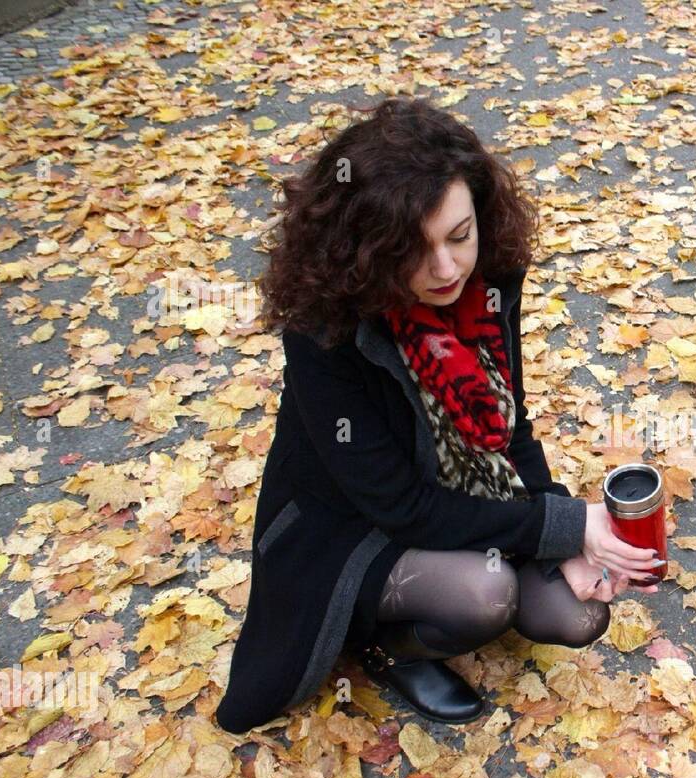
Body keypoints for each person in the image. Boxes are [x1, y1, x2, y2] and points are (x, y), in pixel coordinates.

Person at [213, 97, 664, 734]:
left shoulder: (489, 281)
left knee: (577, 616)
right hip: (350, 525)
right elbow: (398, 505)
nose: (447, 268)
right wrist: (564, 528)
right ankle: (385, 647)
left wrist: (569, 536)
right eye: (413, 251)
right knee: (487, 594)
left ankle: (460, 581)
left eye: (459, 236)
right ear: (366, 251)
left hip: (456, 492)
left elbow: (510, 427)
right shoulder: (326, 332)